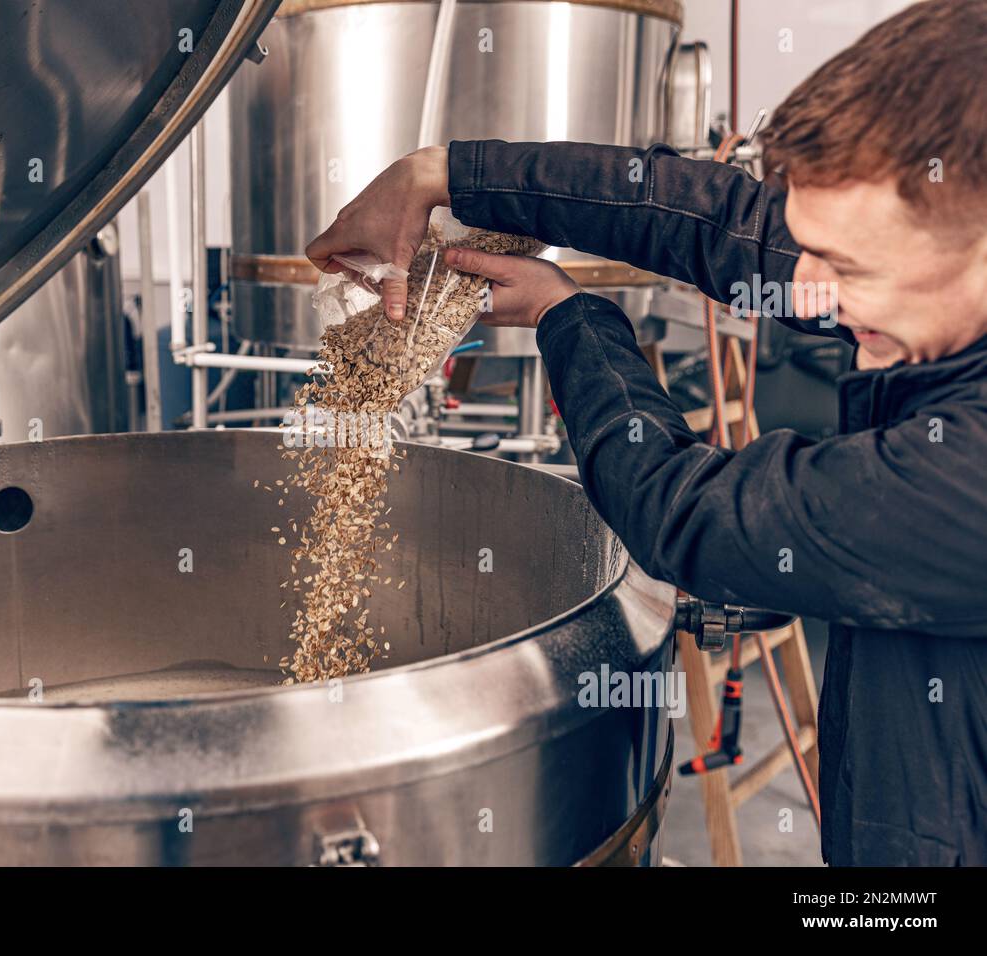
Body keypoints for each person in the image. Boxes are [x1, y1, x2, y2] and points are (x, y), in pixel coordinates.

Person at [306, 0, 987, 866]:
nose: (805, 295)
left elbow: (688, 512)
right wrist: (445, 174)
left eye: (847, 269)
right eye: (814, 250)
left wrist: (569, 316)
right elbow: (721, 225)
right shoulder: (941, 283)